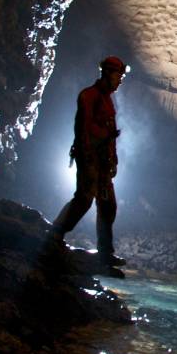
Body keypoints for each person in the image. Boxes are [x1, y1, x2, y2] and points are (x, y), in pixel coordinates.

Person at [50, 55, 129, 268]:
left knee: (108, 205)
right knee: (84, 198)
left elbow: (110, 134)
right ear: (107, 73)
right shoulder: (89, 96)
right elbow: (83, 129)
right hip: (90, 158)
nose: (120, 80)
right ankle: (55, 234)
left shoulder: (107, 99)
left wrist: (113, 159)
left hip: (103, 161)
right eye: (118, 75)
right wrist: (88, 156)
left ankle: (105, 253)